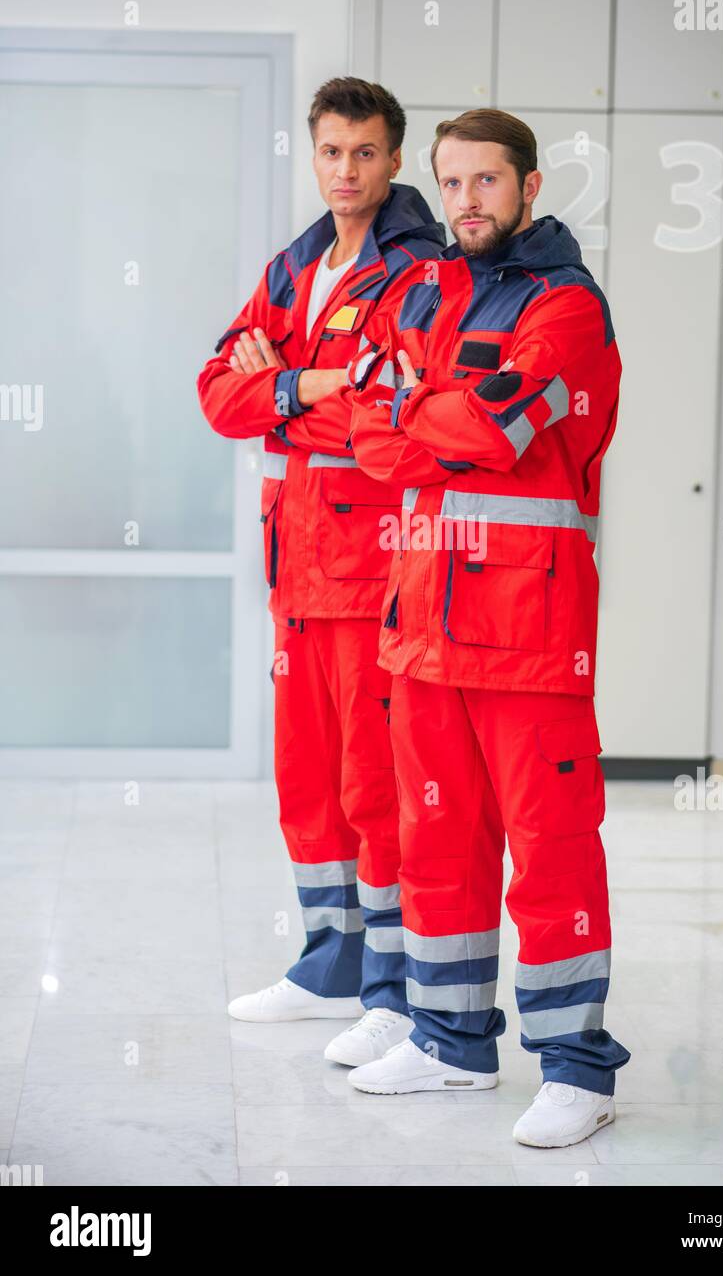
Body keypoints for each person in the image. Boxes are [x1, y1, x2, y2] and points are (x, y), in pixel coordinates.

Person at [343, 108, 631, 1146]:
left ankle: (576, 1067)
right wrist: (422, 415)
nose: (465, 201)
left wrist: (420, 410)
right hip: (419, 624)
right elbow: (360, 424)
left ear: (529, 186)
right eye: (450, 182)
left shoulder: (567, 308)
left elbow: (497, 427)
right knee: (436, 840)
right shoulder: (425, 290)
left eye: (485, 182)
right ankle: (451, 1041)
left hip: (527, 630)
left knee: (549, 850)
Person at [196, 77, 445, 1066]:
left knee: (375, 782)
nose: (345, 173)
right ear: (313, 153)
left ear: (393, 159)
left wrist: (277, 387)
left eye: (365, 154)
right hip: (296, 565)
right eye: (330, 153)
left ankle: (390, 987)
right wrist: (303, 379)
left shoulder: (414, 271)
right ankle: (327, 961)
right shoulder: (298, 262)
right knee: (306, 780)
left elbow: (391, 410)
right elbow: (218, 389)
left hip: (374, 566)